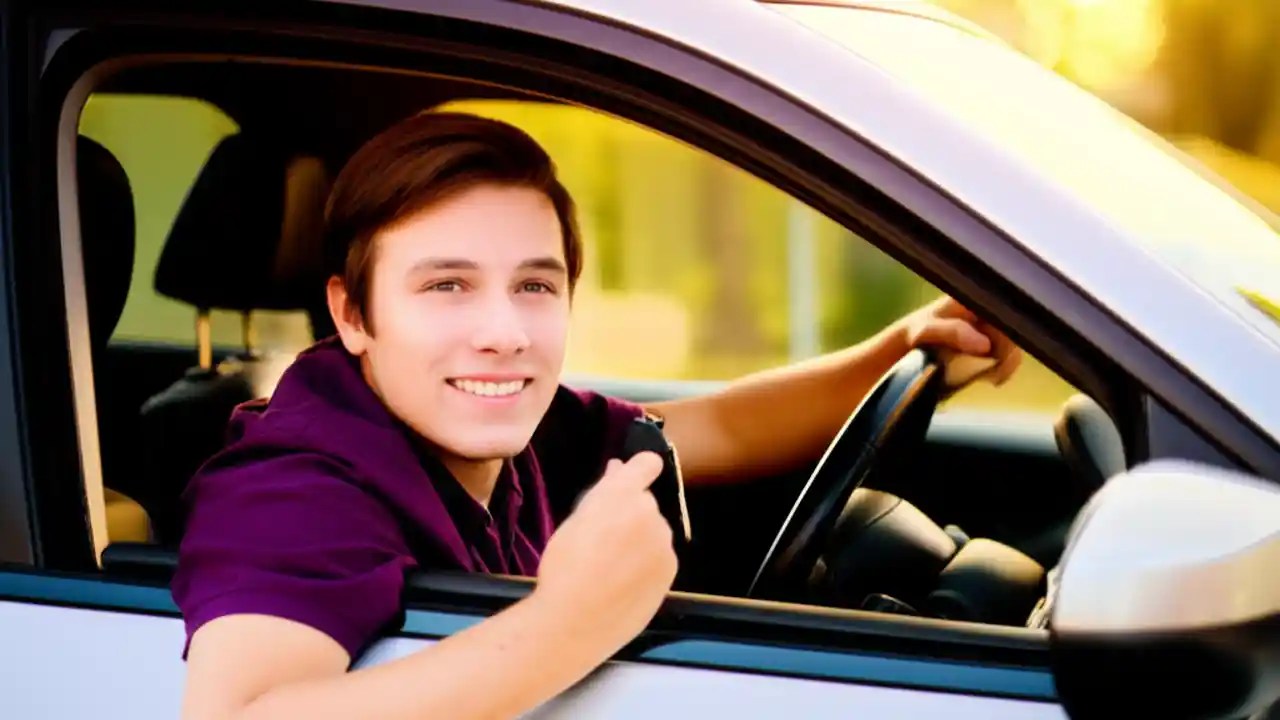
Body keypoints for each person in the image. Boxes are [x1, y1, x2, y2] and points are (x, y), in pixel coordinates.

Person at [176, 112, 1021, 720]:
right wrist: (566, 625)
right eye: (446, 286)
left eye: (535, 286)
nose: (504, 334)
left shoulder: (528, 431)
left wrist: (906, 347)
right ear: (353, 314)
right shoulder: (296, 484)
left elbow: (719, 427)